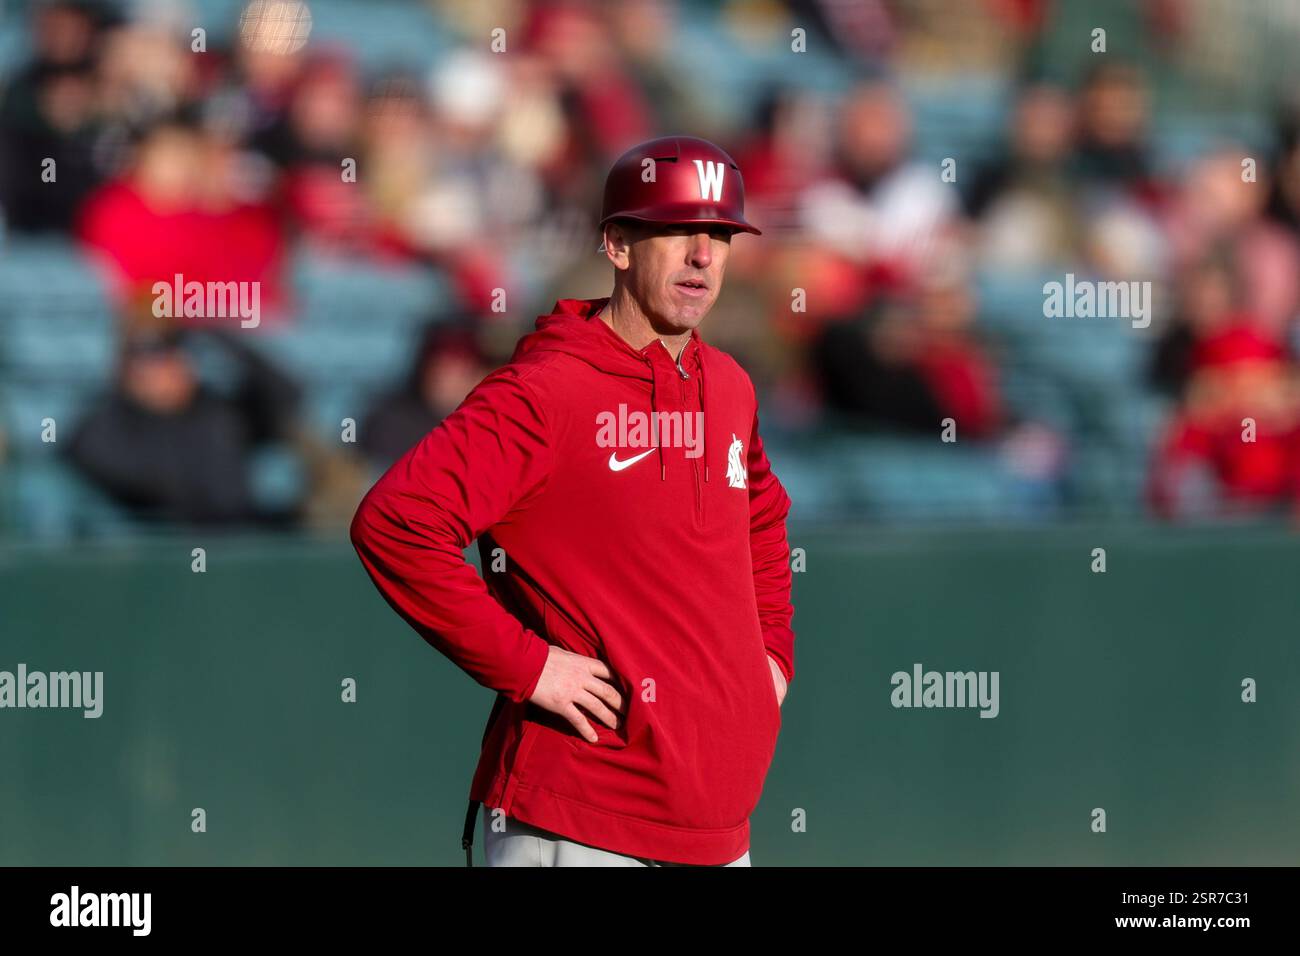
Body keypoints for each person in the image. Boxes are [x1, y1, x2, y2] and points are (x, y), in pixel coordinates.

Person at [350, 135, 795, 867]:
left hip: (717, 829)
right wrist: (531, 667)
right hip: (579, 822)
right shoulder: (545, 393)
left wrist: (769, 655)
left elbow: (763, 520)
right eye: (677, 232)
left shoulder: (730, 386)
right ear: (617, 245)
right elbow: (397, 522)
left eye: (718, 235)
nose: (703, 256)